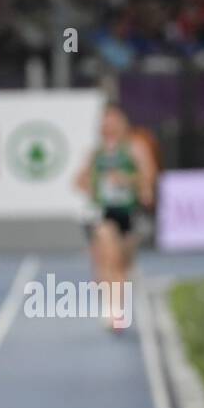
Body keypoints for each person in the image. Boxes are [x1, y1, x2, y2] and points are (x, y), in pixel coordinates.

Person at [75, 102, 156, 332]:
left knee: (122, 265)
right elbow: (80, 181)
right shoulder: (97, 153)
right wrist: (92, 186)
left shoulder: (135, 147)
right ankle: (114, 311)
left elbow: (148, 178)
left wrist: (128, 181)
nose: (109, 125)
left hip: (129, 213)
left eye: (114, 120)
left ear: (122, 122)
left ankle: (115, 302)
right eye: (105, 121)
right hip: (104, 213)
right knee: (108, 257)